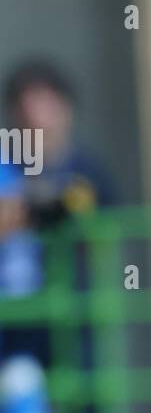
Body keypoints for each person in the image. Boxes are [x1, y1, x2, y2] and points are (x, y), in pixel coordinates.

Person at [0, 60, 117, 371]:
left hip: (76, 306)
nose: (38, 118)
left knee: (83, 393)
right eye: (27, 107)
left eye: (46, 104)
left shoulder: (89, 170)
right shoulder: (8, 167)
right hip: (18, 307)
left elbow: (108, 230)